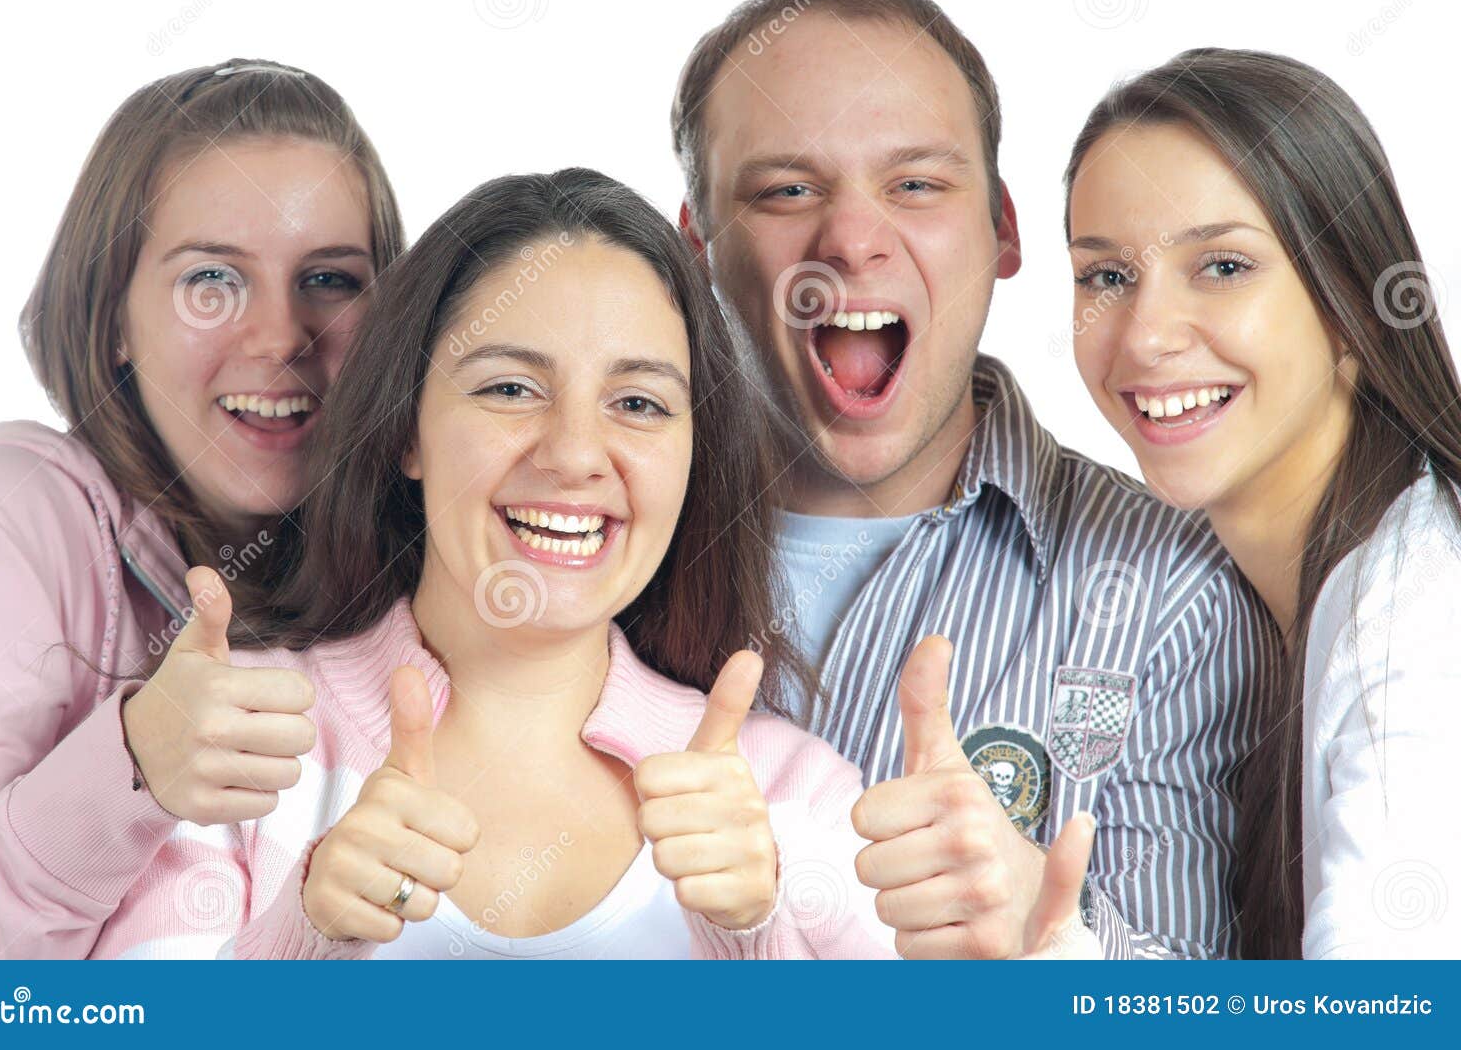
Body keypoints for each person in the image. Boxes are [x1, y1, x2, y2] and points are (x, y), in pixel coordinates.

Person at [92, 168, 1096, 960]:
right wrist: (304, 942)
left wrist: (758, 944)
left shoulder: (792, 795)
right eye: (509, 388)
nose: (575, 454)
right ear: (406, 430)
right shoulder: (234, 742)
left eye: (639, 403)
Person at [669, 0, 1276, 958]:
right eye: (786, 190)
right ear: (695, 245)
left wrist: (1050, 940)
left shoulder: (1175, 590)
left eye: (915, 184)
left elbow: (1202, 1006)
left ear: (1002, 229)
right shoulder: (586, 541)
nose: (852, 241)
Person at [0, 59, 403, 958]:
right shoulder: (6, 514)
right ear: (113, 317)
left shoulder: (420, 549)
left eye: (331, 280)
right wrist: (134, 766)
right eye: (211, 280)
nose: (281, 337)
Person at [1065, 47, 1461, 958]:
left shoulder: (1415, 622)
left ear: (1351, 297)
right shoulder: (1240, 595)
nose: (1146, 337)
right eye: (1107, 276)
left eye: (1223, 266)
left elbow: (1383, 1012)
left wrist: (1052, 959)